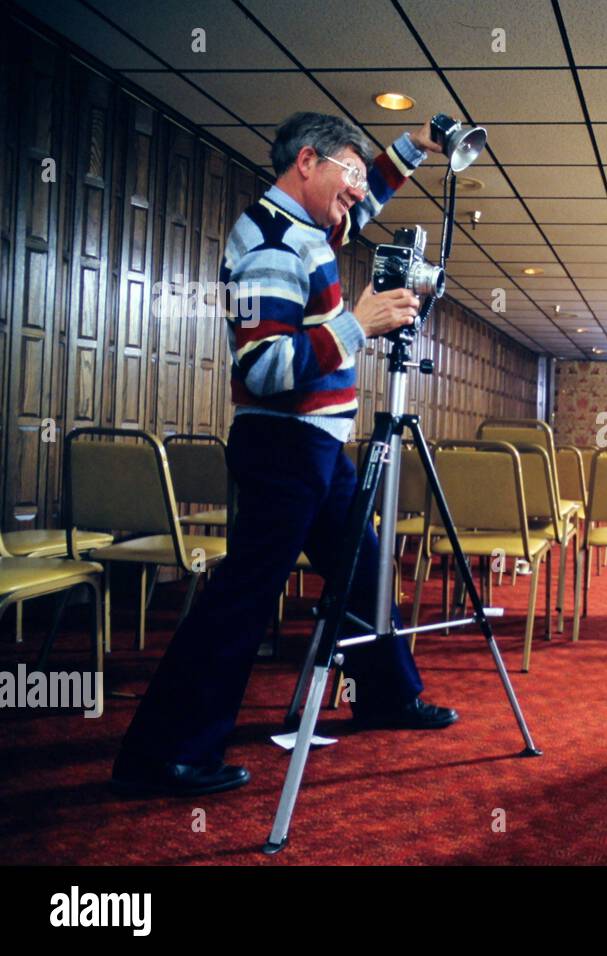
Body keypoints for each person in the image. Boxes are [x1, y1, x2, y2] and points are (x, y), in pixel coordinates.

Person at [113, 112, 459, 797]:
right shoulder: (270, 245)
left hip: (320, 446)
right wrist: (357, 326)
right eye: (349, 178)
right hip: (284, 445)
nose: (358, 197)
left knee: (361, 578)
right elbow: (265, 367)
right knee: (244, 597)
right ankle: (165, 753)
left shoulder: (311, 226)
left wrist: (412, 148)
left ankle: (383, 695)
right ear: (308, 161)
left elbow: (367, 196)